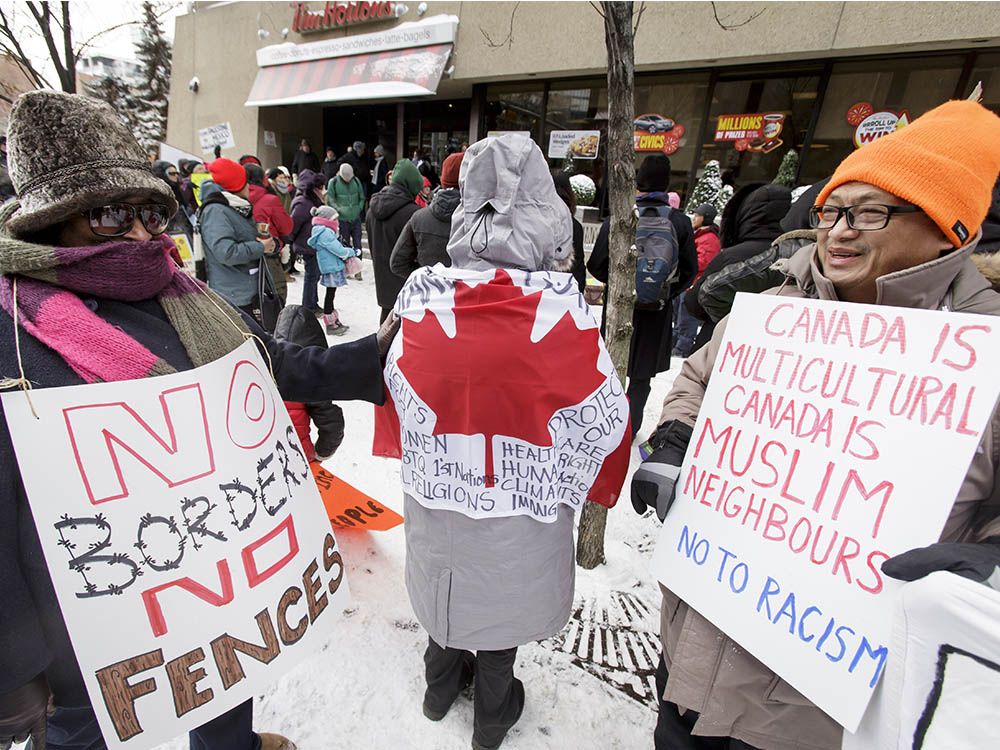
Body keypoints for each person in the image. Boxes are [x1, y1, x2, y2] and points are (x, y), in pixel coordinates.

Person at [0, 89, 393, 750]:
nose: (140, 232)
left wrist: (372, 360)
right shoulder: (12, 329)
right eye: (108, 214)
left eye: (152, 211)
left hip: (206, 596)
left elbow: (271, 361)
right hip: (79, 621)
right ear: (48, 221)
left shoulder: (184, 293)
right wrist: (13, 670)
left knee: (222, 688)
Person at [631, 99, 1000, 750]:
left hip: (816, 697)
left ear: (949, 229)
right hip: (699, 631)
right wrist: (675, 437)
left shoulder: (984, 355)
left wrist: (989, 564)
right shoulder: (776, 307)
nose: (839, 231)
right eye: (832, 209)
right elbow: (697, 378)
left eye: (872, 212)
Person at [382, 133, 629, 750]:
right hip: (521, 504)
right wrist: (578, 481)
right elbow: (606, 420)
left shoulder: (419, 300)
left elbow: (388, 380)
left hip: (439, 491)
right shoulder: (565, 316)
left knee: (446, 589)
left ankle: (439, 691)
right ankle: (493, 717)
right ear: (548, 222)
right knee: (499, 602)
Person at [586, 154, 697, 438]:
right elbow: (689, 271)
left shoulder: (619, 220)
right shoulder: (680, 222)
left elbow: (596, 264)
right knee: (641, 378)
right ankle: (628, 431)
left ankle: (602, 428)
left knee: (609, 372)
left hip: (619, 309)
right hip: (657, 313)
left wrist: (621, 287)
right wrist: (663, 291)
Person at [682, 183, 791, 352]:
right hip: (774, 349)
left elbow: (694, 303)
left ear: (745, 215)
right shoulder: (799, 255)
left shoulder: (732, 256)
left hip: (719, 343)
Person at [198, 157, 278, 325]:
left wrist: (267, 242)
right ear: (235, 186)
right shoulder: (216, 211)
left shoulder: (234, 207)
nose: (249, 186)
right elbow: (226, 252)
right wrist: (259, 247)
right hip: (234, 296)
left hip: (245, 289)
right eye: (245, 182)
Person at [273, 304, 346, 461]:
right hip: (296, 455)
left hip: (262, 455)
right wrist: (322, 453)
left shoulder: (265, 366)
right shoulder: (310, 378)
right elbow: (332, 424)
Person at [389, 151, 463, 279]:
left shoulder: (419, 217)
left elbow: (397, 263)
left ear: (443, 180)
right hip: (467, 296)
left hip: (429, 296)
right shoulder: (483, 220)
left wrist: (426, 278)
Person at [367, 157, 422, 322]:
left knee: (385, 333)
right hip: (407, 290)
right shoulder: (414, 214)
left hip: (383, 286)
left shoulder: (371, 211)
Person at [671, 203, 720, 357]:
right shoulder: (699, 234)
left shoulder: (709, 238)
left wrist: (683, 260)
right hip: (687, 282)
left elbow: (702, 262)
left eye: (698, 215)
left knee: (687, 319)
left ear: (705, 218)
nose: (694, 218)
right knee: (679, 317)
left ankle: (682, 348)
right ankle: (676, 343)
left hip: (694, 283)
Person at [245, 162, 293, 304]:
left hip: (245, 253)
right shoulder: (269, 199)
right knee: (275, 297)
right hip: (269, 251)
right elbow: (286, 227)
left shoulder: (234, 199)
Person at [306, 205, 352, 335]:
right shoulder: (324, 233)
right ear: (327, 219)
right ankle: (330, 323)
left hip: (331, 266)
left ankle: (333, 319)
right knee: (330, 295)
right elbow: (337, 249)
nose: (337, 221)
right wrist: (351, 252)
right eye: (335, 219)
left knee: (331, 294)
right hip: (331, 268)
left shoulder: (324, 231)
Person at [288, 169, 326, 314]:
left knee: (314, 275)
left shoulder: (311, 200)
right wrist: (290, 241)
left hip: (313, 244)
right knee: (311, 276)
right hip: (307, 244)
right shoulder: (303, 202)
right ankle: (308, 306)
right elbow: (294, 223)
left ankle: (313, 303)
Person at [551, 171, 586, 292]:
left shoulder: (537, 219)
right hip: (566, 289)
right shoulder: (574, 225)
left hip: (540, 287)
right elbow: (578, 265)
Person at [151, 160, 194, 247]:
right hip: (169, 240)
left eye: (177, 173)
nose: (176, 177)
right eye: (172, 174)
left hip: (184, 237)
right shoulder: (155, 198)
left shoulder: (180, 193)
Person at [326, 162, 365, 254]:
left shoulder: (356, 181)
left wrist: (359, 208)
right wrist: (339, 209)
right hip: (342, 219)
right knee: (344, 245)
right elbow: (330, 199)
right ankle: (346, 267)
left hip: (356, 218)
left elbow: (362, 197)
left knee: (358, 245)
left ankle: (358, 265)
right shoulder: (333, 182)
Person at [0, 136, 14, 203]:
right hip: (8, 193)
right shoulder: (2, 160)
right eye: (4, 144)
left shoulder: (13, 153)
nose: (6, 146)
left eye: (7, 143)